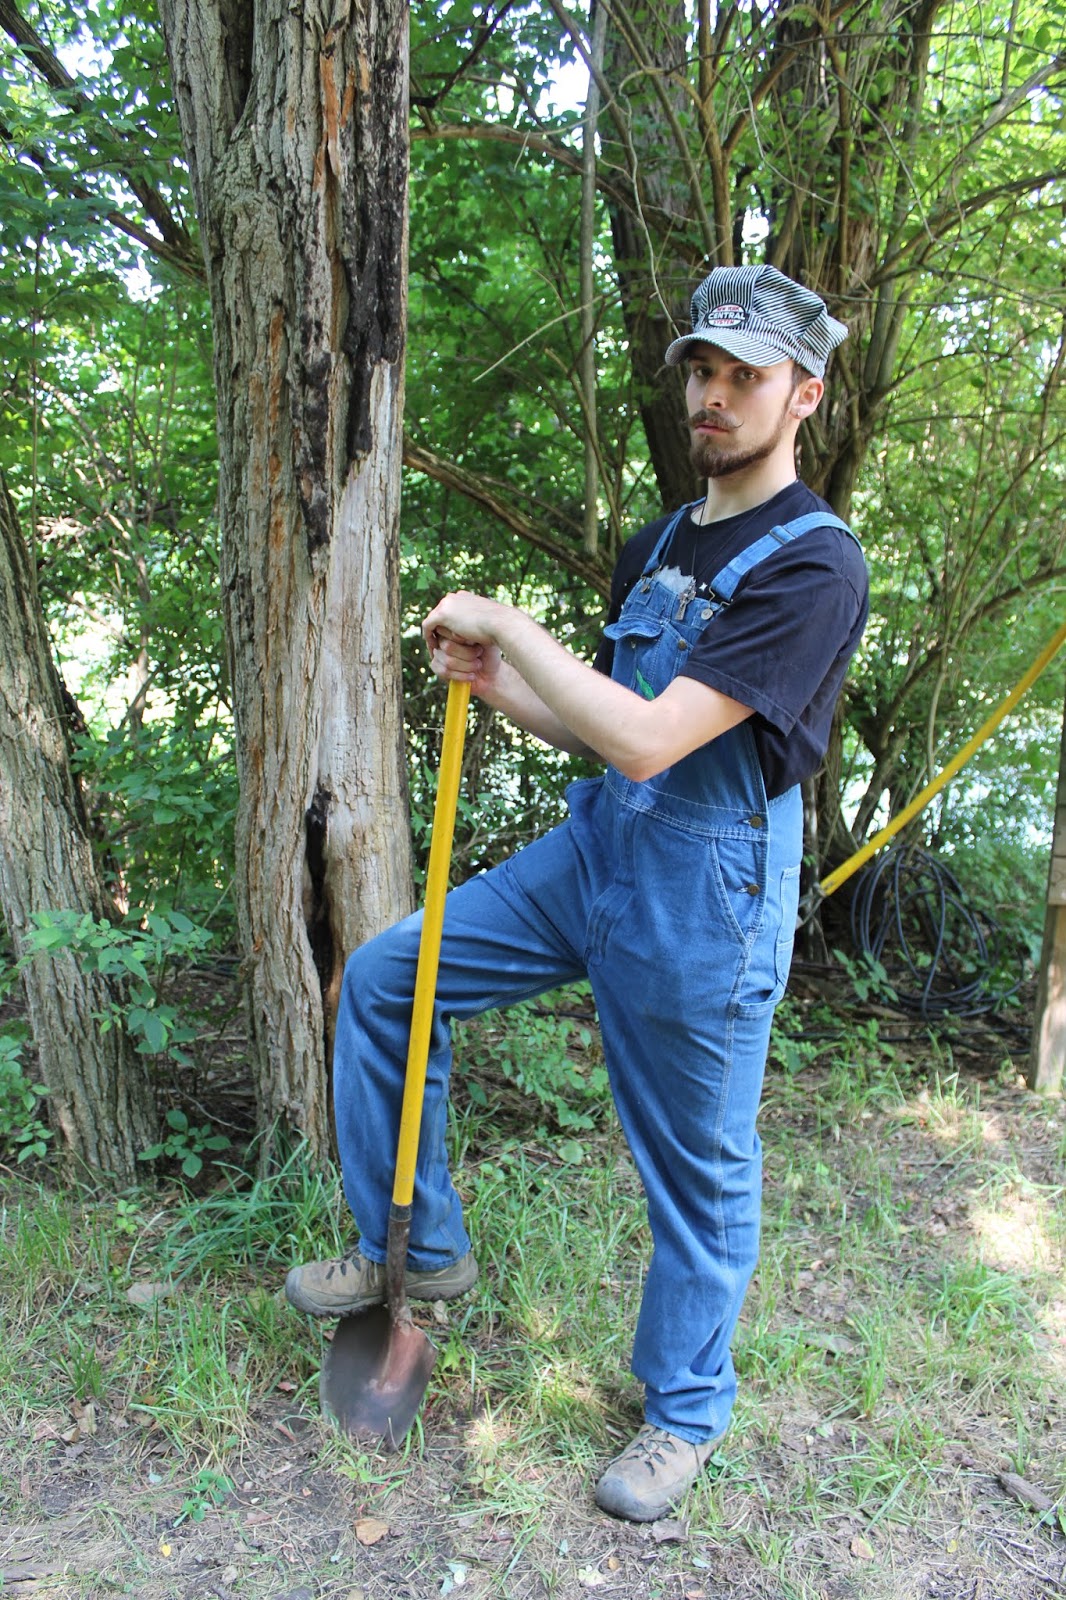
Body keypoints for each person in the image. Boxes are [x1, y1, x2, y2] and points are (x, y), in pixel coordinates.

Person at [286, 264, 870, 1522]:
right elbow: (605, 734)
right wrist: (504, 686)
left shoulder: (816, 567)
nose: (712, 398)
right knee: (394, 976)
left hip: (703, 889)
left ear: (802, 394)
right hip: (598, 847)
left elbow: (662, 736)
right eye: (702, 373)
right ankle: (421, 1249)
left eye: (744, 378)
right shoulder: (657, 543)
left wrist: (507, 618)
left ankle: (683, 1409)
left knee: (699, 1169)